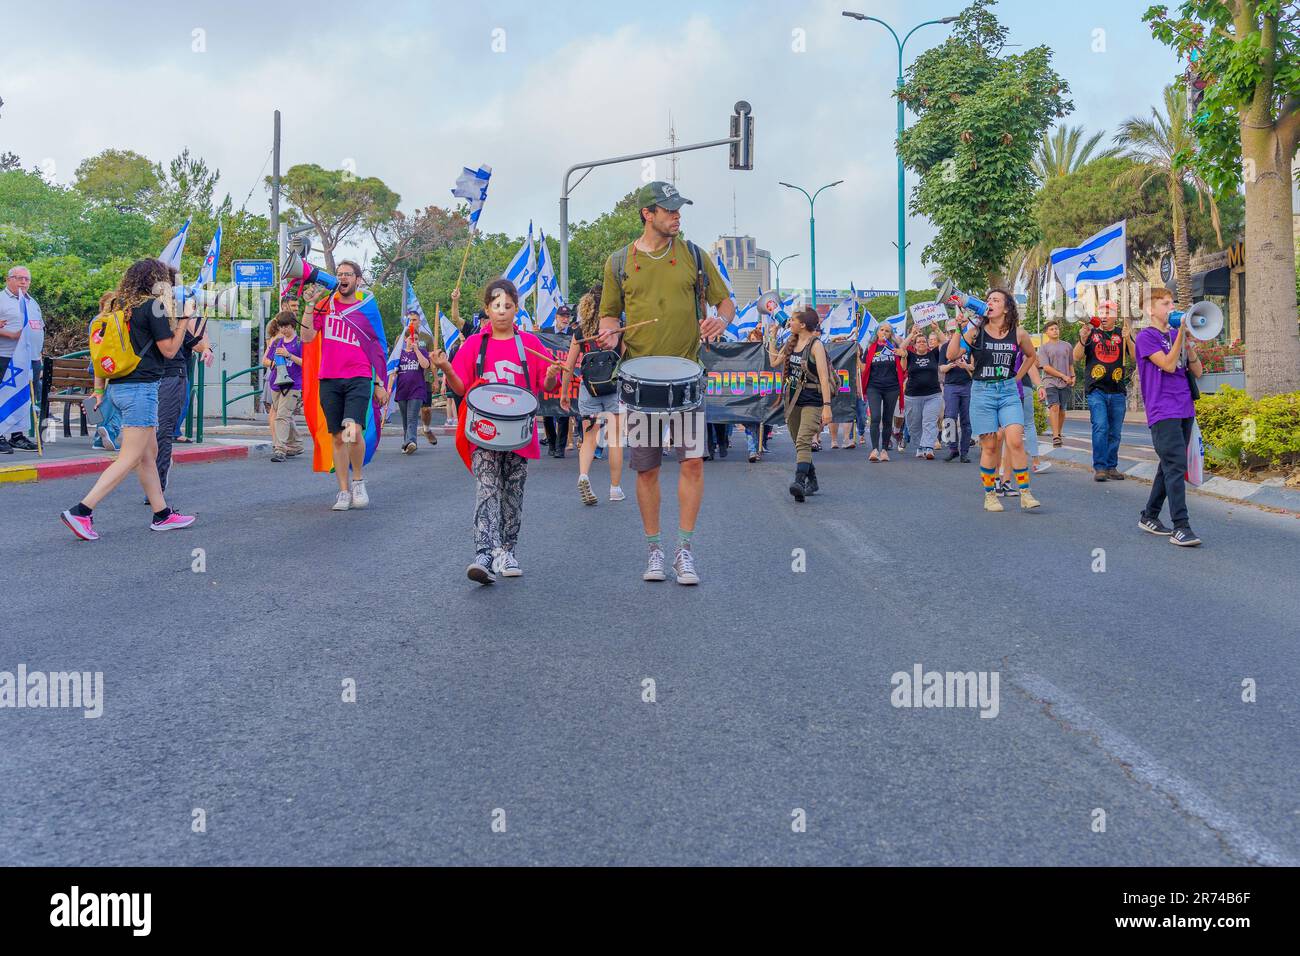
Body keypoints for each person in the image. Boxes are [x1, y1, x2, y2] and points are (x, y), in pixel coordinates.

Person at [596, 181, 734, 585]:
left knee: (691, 463)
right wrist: (610, 334)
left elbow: (725, 302)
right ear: (648, 214)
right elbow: (608, 314)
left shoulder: (693, 254)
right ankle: (655, 550)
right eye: (669, 210)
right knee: (648, 470)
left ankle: (684, 551)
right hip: (640, 383)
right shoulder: (618, 262)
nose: (677, 216)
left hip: (688, 378)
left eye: (678, 210)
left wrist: (720, 320)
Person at [435, 279, 562, 583]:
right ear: (487, 310)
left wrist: (552, 376)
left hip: (519, 433)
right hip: (484, 431)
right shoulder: (474, 344)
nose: (502, 311)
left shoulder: (531, 344)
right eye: (496, 305)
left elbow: (545, 386)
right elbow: (462, 388)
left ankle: (507, 549)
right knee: (487, 486)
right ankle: (484, 553)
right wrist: (447, 368)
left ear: (516, 309)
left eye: (507, 305)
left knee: (513, 492)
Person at [60, 259, 196, 539]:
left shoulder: (119, 309)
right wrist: (184, 320)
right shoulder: (152, 307)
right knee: (130, 457)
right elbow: (170, 351)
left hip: (118, 387)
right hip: (142, 389)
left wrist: (98, 391)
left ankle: (162, 514)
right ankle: (81, 511)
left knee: (148, 456)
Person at [299, 260, 391, 512]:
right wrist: (309, 305)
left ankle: (358, 480)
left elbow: (378, 347)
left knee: (353, 431)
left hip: (359, 377)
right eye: (339, 274)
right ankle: (343, 490)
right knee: (338, 437)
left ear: (358, 279)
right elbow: (307, 337)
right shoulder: (323, 305)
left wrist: (379, 382)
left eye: (348, 274)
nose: (342, 278)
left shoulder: (367, 306)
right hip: (329, 377)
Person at [947, 289, 1041, 512]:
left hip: (1008, 391)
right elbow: (952, 355)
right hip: (982, 392)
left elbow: (1031, 356)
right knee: (989, 446)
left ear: (1007, 308)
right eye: (988, 299)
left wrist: (1017, 378)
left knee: (1015, 440)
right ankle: (990, 495)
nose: (990, 303)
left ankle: (1025, 493)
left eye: (996, 300)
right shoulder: (975, 332)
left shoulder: (1018, 333)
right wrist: (959, 328)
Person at [1135, 287, 1203, 546]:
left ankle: (1149, 515)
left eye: (1172, 302)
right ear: (1150, 310)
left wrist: (1188, 345)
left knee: (1169, 464)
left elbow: (1196, 371)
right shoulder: (1146, 337)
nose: (1171, 307)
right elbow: (1167, 364)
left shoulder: (1177, 335)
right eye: (1165, 304)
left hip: (1184, 407)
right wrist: (1177, 341)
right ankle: (1181, 526)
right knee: (1175, 465)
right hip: (1162, 409)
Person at [560, 285, 625, 505]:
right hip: (614, 388)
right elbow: (626, 360)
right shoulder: (618, 327)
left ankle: (584, 475)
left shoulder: (580, 331)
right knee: (615, 440)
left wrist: (564, 392)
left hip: (589, 388)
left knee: (589, 437)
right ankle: (615, 489)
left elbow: (569, 365)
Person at [770, 308, 833, 501]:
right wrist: (772, 336)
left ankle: (799, 482)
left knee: (803, 440)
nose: (789, 323)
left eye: (793, 320)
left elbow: (824, 377)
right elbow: (774, 362)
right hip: (792, 400)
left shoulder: (816, 345)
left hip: (812, 400)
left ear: (803, 324)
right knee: (800, 443)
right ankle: (812, 480)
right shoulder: (792, 341)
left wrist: (827, 406)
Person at [1073, 301, 1132, 481]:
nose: (1104, 315)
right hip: (1096, 389)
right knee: (1100, 426)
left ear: (1115, 314)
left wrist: (1128, 338)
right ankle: (1100, 467)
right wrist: (1083, 339)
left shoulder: (1122, 333)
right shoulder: (1091, 331)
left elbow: (1136, 358)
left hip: (1117, 390)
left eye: (1108, 311)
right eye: (1101, 312)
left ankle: (1111, 466)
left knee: (1115, 431)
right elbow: (1076, 357)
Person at [0, 265, 42, 452]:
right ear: (9, 279)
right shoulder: (1, 299)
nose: (23, 282)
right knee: (4, 395)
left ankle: (17, 435)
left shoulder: (31, 301)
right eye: (19, 278)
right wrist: (9, 334)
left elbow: (37, 326)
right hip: (6, 356)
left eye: (27, 279)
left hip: (30, 358)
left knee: (24, 397)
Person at [260, 312, 305, 462]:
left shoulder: (300, 342)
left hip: (293, 384)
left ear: (293, 325)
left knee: (282, 416)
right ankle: (297, 444)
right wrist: (273, 363)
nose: (284, 330)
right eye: (281, 327)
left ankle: (280, 449)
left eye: (286, 326)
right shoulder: (277, 342)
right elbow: (265, 360)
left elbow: (307, 363)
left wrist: (289, 355)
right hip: (276, 383)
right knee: (285, 416)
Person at [861, 322, 906, 462]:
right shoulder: (870, 348)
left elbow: (903, 368)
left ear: (890, 334)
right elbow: (863, 369)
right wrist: (857, 357)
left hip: (891, 387)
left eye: (887, 331)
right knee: (875, 417)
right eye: (882, 330)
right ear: (877, 332)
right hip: (874, 386)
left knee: (887, 419)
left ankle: (885, 450)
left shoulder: (894, 347)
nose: (884, 333)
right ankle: (875, 449)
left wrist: (903, 355)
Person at [387, 321, 431, 454]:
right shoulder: (398, 354)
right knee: (406, 419)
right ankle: (407, 443)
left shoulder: (422, 351)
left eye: (417, 339)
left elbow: (425, 365)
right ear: (405, 339)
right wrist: (388, 390)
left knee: (412, 417)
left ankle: (412, 441)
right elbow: (392, 373)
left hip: (416, 391)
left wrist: (416, 349)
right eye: (412, 338)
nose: (414, 341)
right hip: (402, 391)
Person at [903, 326, 943, 459]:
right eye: (919, 341)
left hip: (933, 395)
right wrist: (912, 334)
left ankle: (929, 447)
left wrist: (937, 330)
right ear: (914, 345)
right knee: (914, 424)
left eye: (924, 341)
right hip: (913, 396)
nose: (922, 343)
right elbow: (901, 348)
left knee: (929, 421)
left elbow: (946, 343)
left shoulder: (934, 354)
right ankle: (920, 446)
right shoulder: (910, 355)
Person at [1036, 319, 1075, 448]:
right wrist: (1063, 375)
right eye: (1052, 329)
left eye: (1056, 328)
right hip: (1050, 382)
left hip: (1065, 383)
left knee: (1062, 410)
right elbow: (1046, 367)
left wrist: (1072, 376)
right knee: (1054, 407)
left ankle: (1058, 431)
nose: (1055, 331)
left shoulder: (1067, 346)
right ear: (1046, 332)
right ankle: (1055, 436)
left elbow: (1070, 364)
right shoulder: (1044, 348)